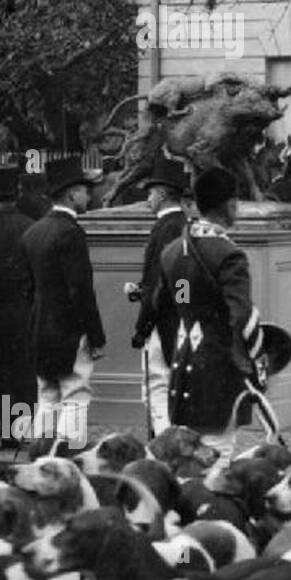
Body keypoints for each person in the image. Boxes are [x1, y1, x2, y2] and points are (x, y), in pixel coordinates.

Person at [156, 166, 265, 465]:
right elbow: (239, 315)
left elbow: (171, 305)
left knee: (190, 459)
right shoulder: (229, 254)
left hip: (185, 365)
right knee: (218, 457)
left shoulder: (173, 252)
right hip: (217, 369)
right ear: (230, 205)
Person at [20, 157, 105, 445]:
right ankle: (69, 459)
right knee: (75, 395)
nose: (89, 195)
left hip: (39, 327)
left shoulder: (33, 232)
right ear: (71, 194)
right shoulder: (71, 233)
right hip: (70, 331)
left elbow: (28, 288)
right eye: (84, 189)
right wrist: (96, 335)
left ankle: (41, 458)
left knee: (47, 396)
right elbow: (80, 290)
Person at [129, 156, 192, 437]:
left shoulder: (164, 227)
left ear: (164, 194)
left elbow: (160, 282)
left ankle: (164, 448)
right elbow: (179, 280)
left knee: (157, 386)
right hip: (182, 315)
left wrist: (142, 326)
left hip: (163, 320)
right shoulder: (185, 223)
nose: (148, 198)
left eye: (151, 192)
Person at [0, 165, 34, 448]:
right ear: (17, 193)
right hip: (19, 308)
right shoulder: (30, 226)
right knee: (18, 373)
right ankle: (14, 433)